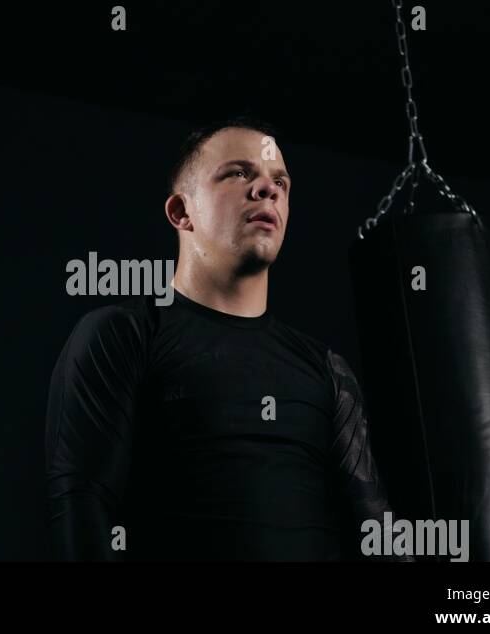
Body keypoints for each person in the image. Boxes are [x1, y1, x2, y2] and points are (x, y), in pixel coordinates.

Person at [45, 117, 398, 561]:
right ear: (181, 212)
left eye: (280, 183)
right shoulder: (122, 335)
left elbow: (378, 535)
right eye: (239, 173)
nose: (266, 189)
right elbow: (81, 512)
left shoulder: (327, 370)